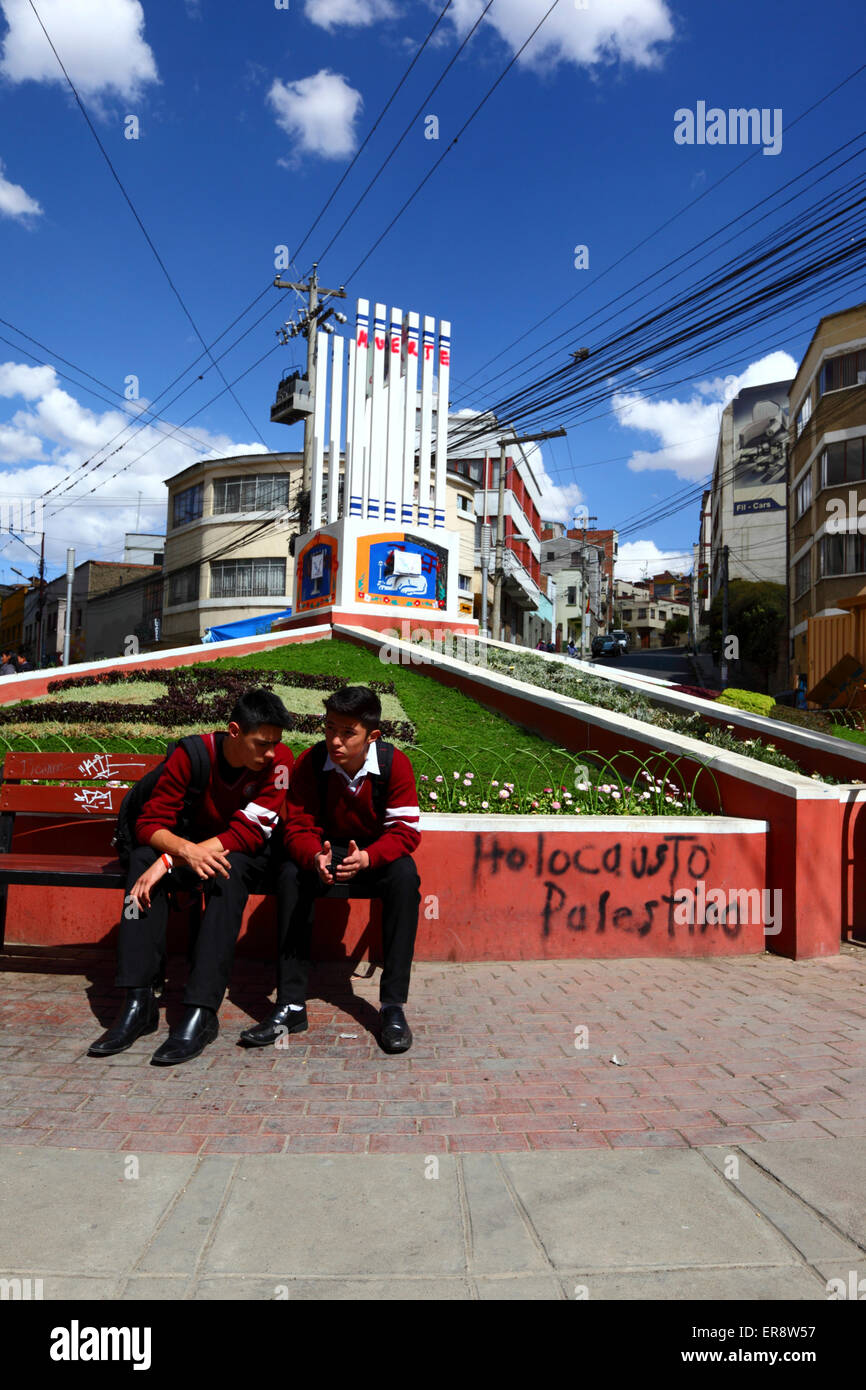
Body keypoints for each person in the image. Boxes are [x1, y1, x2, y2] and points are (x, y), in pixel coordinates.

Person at [88, 688, 293, 1066]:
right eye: (261, 743)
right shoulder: (191, 754)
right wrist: (179, 853)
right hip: (186, 846)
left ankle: (201, 1010)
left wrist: (170, 861)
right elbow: (149, 823)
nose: (270, 753)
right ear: (234, 731)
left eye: (275, 743)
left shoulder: (279, 761)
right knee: (139, 863)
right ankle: (138, 1001)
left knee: (226, 873)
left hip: (243, 852)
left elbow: (250, 833)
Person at [240, 685, 421, 1055]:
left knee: (405, 878)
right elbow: (296, 825)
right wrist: (313, 857)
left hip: (372, 853)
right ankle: (291, 1005)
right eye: (329, 728)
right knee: (290, 873)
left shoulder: (394, 764)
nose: (335, 740)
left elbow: (405, 831)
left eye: (347, 732)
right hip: (324, 849)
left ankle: (392, 1006)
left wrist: (369, 857)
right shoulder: (311, 762)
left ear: (372, 736)